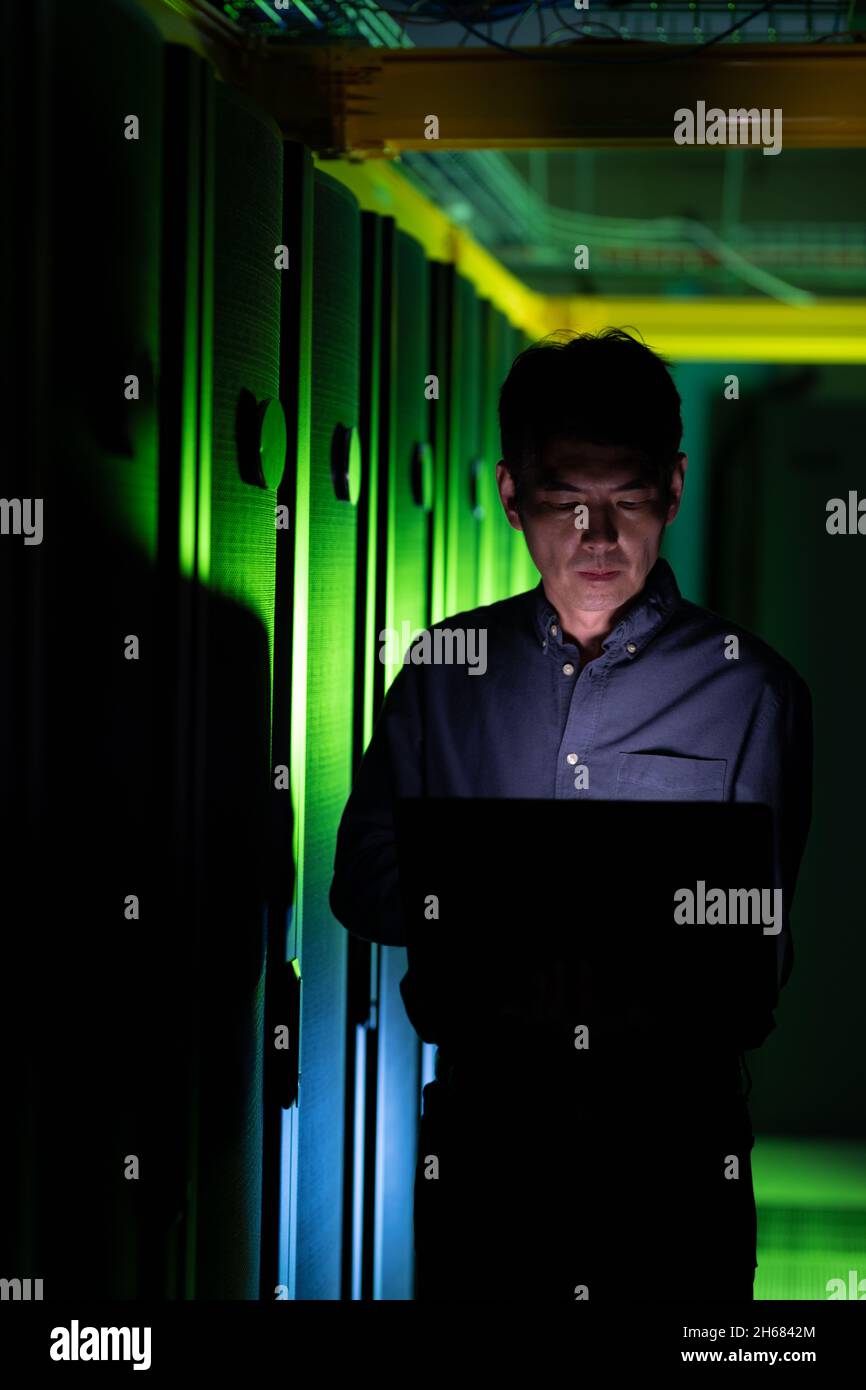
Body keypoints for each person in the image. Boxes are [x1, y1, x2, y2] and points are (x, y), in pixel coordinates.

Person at [329, 328, 813, 1301]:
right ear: (511, 496)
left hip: (673, 1146)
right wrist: (549, 903)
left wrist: (529, 905)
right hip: (487, 1132)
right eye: (565, 500)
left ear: (672, 489)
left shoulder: (751, 690)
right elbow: (364, 882)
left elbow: (752, 944)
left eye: (626, 500)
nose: (596, 537)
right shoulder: (442, 671)